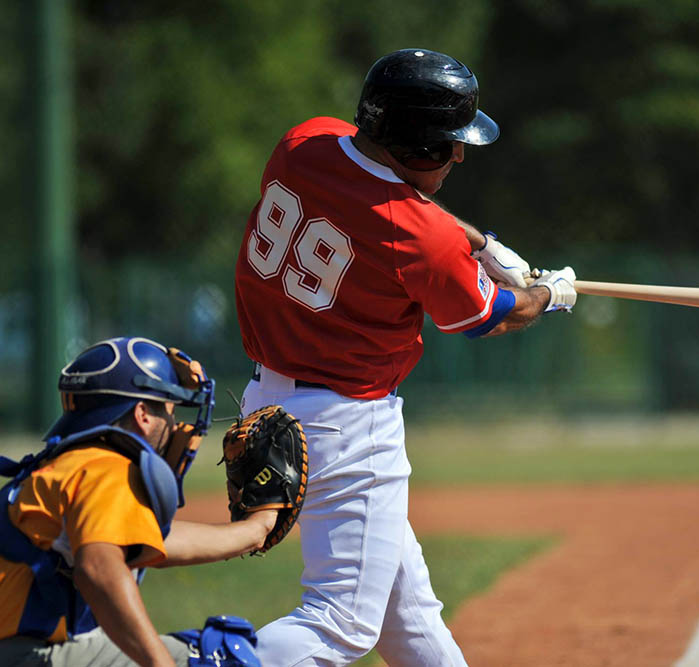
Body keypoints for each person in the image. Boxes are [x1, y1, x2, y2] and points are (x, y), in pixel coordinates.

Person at [234, 48, 576, 666]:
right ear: (416, 144)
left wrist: (482, 243)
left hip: (268, 403)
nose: (460, 155)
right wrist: (550, 294)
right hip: (348, 424)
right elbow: (495, 317)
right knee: (340, 624)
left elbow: (379, 195)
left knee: (408, 616)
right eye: (448, 144)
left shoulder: (303, 142)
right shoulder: (421, 237)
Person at [0, 336, 271, 667]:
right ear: (142, 415)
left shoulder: (64, 466)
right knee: (220, 656)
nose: (176, 424)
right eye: (169, 408)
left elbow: (151, 541)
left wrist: (256, 530)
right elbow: (99, 568)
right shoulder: (107, 466)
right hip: (24, 656)